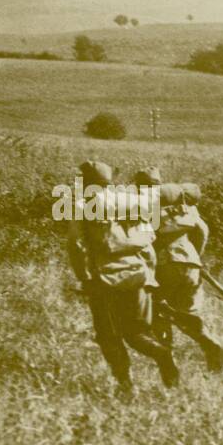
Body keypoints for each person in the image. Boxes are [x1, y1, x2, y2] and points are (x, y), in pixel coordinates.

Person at [66, 160, 178, 392]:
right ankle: (163, 354)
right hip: (137, 273)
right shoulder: (130, 200)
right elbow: (149, 239)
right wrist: (149, 273)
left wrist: (84, 277)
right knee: (137, 333)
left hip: (106, 278)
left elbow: (75, 245)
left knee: (108, 335)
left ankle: (125, 383)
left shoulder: (83, 204)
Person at [133, 168, 223, 371]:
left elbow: (140, 241)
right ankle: (209, 341)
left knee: (159, 311)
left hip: (164, 265)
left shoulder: (143, 206)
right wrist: (195, 256)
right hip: (191, 263)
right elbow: (203, 230)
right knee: (187, 312)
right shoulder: (184, 204)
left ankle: (167, 358)